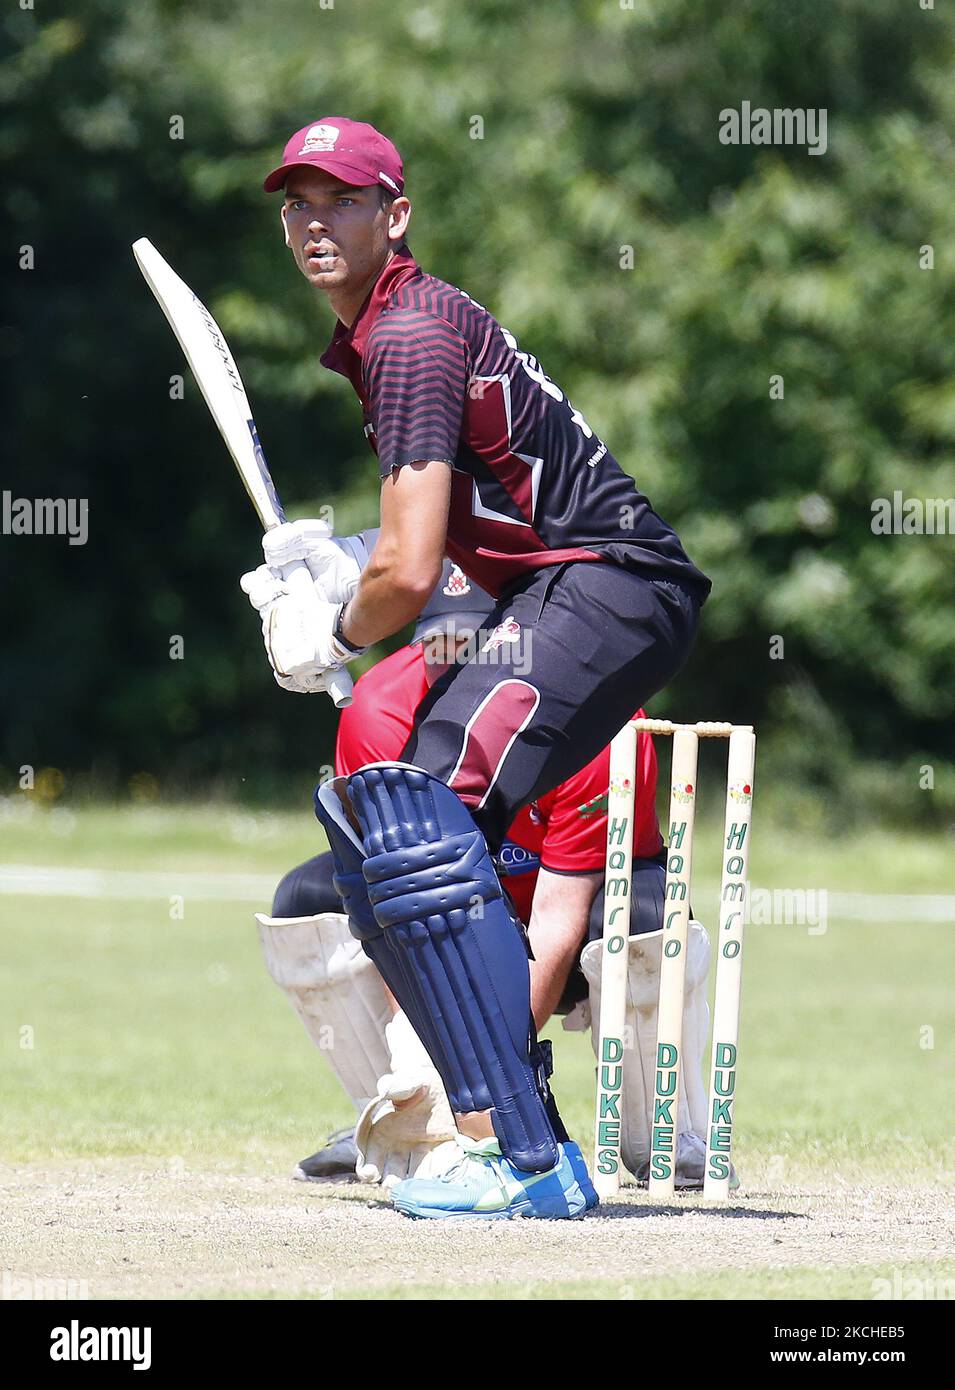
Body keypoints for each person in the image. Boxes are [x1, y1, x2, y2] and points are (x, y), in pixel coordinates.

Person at [242, 117, 711, 1219]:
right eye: (298, 203)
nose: (316, 221)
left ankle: (518, 1157)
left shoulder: (405, 333)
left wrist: (339, 627)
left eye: (342, 200)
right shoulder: (401, 328)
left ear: (392, 215)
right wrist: (344, 564)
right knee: (383, 830)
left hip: (611, 584)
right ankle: (505, 1130)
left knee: (424, 816)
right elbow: (457, 519)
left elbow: (409, 576)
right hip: (563, 588)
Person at [257, 562, 712, 1192]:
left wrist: (500, 1083)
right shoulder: (376, 714)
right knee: (305, 904)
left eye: (475, 647)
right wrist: (437, 1070)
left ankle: (662, 1137)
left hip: (574, 920)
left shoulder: (599, 716)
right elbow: (394, 908)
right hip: (443, 920)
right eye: (440, 647)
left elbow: (558, 915)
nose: (456, 669)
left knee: (646, 919)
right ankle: (399, 1110)